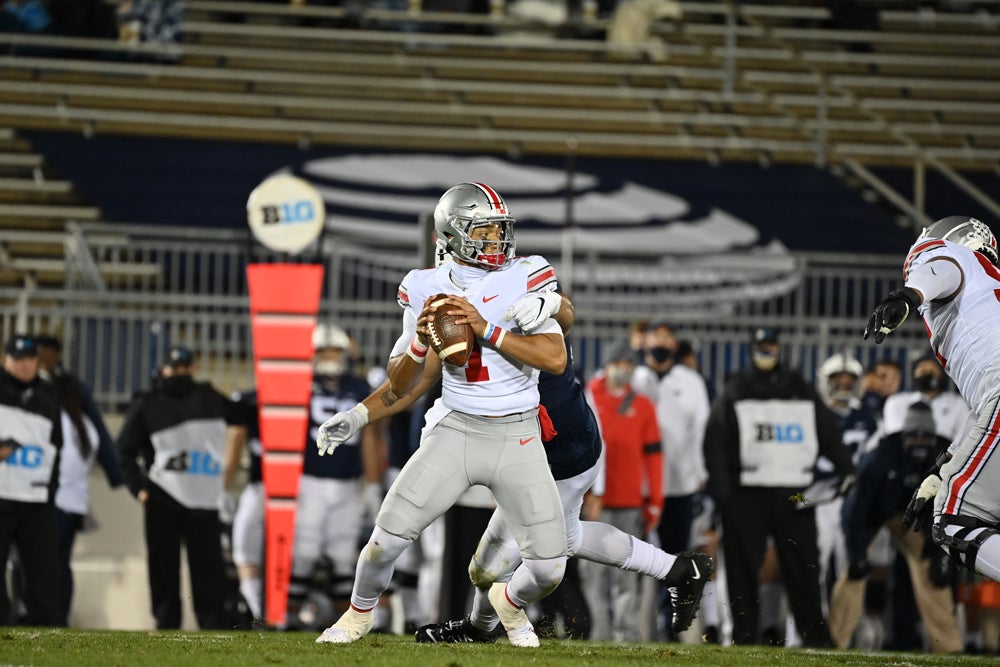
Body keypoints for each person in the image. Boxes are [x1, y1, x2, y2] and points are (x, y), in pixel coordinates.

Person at [315, 183, 712, 648]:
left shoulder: (526, 276)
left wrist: (500, 324)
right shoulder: (425, 286)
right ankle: (371, 617)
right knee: (399, 540)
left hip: (538, 431)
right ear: (453, 234)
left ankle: (493, 615)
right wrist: (363, 412)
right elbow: (412, 378)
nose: (495, 241)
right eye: (483, 231)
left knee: (542, 559)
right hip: (460, 426)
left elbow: (558, 340)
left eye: (498, 230)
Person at [865, 215, 1000, 588]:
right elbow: (984, 416)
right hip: (995, 400)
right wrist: (942, 470)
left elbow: (943, 266)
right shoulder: (988, 300)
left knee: (956, 521)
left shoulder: (952, 256)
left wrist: (909, 296)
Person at [703, 327, 855, 647]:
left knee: (804, 572)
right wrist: (725, 496)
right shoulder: (737, 389)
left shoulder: (799, 387)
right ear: (752, 348)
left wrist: (846, 469)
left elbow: (827, 434)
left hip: (795, 494)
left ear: (779, 348)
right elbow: (714, 443)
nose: (766, 351)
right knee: (743, 573)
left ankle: (814, 640)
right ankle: (744, 639)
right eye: (761, 346)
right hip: (748, 493)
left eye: (771, 345)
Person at [116, 345, 243, 630]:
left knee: (208, 570)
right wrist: (138, 488)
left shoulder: (209, 398)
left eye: (185, 368)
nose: (181, 374)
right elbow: (123, 450)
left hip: (204, 499)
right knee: (163, 569)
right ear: (163, 370)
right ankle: (166, 623)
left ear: (193, 369)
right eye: (175, 369)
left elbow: (243, 414)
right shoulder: (147, 403)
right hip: (164, 497)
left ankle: (213, 626)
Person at [829, 401, 962, 653]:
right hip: (875, 514)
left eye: (926, 438)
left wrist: (939, 556)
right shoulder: (879, 457)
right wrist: (857, 553)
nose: (920, 443)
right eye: (915, 437)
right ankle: (836, 641)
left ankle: (949, 646)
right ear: (904, 435)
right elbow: (855, 512)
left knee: (934, 574)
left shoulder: (946, 457)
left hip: (918, 519)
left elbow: (946, 509)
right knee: (854, 572)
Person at [287, 323, 381, 629]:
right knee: (304, 550)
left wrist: (372, 483)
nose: (329, 357)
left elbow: (369, 437)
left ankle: (347, 623)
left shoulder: (357, 387)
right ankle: (285, 620)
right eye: (323, 351)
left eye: (334, 351)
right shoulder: (299, 384)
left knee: (343, 554)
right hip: (310, 480)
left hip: (347, 483)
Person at [35, 334, 123, 626]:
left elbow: (96, 430)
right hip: (68, 496)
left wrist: (114, 471)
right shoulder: (73, 402)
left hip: (55, 494)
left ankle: (49, 617)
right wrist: (114, 472)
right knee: (57, 559)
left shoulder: (55, 399)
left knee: (47, 559)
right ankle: (54, 617)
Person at [631, 320, 710, 640]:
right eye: (656, 335)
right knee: (631, 559)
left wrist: (700, 474)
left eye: (667, 336)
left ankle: (670, 626)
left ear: (675, 345)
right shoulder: (634, 379)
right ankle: (629, 629)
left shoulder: (690, 381)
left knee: (677, 558)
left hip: (679, 485)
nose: (661, 341)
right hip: (637, 488)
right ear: (644, 341)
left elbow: (701, 430)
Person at [581, 340, 662, 641]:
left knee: (626, 574)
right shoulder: (589, 400)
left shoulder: (644, 407)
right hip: (595, 504)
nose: (623, 370)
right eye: (618, 364)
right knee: (593, 574)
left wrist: (655, 501)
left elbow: (654, 459)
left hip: (629, 503)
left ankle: (625, 636)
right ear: (607, 365)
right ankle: (599, 632)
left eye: (628, 365)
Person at [0, 334, 63, 627]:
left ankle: (46, 634)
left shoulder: (49, 395)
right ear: (6, 360)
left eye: (30, 360)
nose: (24, 366)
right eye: (18, 360)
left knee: (43, 575)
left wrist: (49, 490)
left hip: (35, 499)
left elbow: (56, 445)